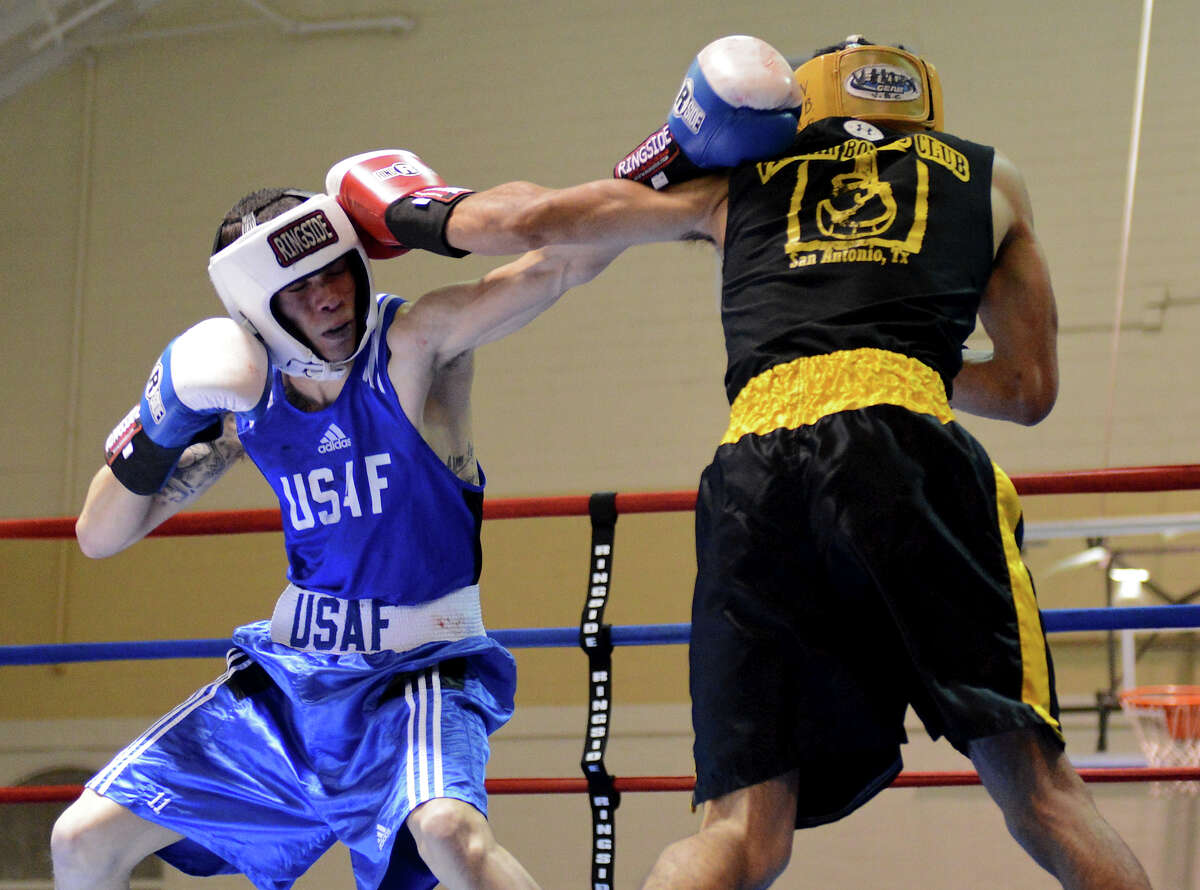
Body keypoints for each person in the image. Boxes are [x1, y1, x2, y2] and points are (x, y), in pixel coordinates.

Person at [328, 34, 1153, 890]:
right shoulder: (991, 177)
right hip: (908, 456)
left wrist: (408, 211)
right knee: (1045, 797)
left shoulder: (734, 181)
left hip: (755, 474)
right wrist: (894, 346)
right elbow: (1027, 389)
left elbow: (533, 222)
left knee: (742, 833)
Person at [50, 173, 627, 889]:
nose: (327, 296)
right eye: (298, 288)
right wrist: (160, 417)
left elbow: (566, 261)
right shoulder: (247, 402)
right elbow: (98, 536)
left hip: (416, 675)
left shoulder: (414, 345)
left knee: (450, 834)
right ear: (258, 312)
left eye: (333, 272)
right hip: (291, 683)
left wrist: (446, 218)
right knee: (80, 840)